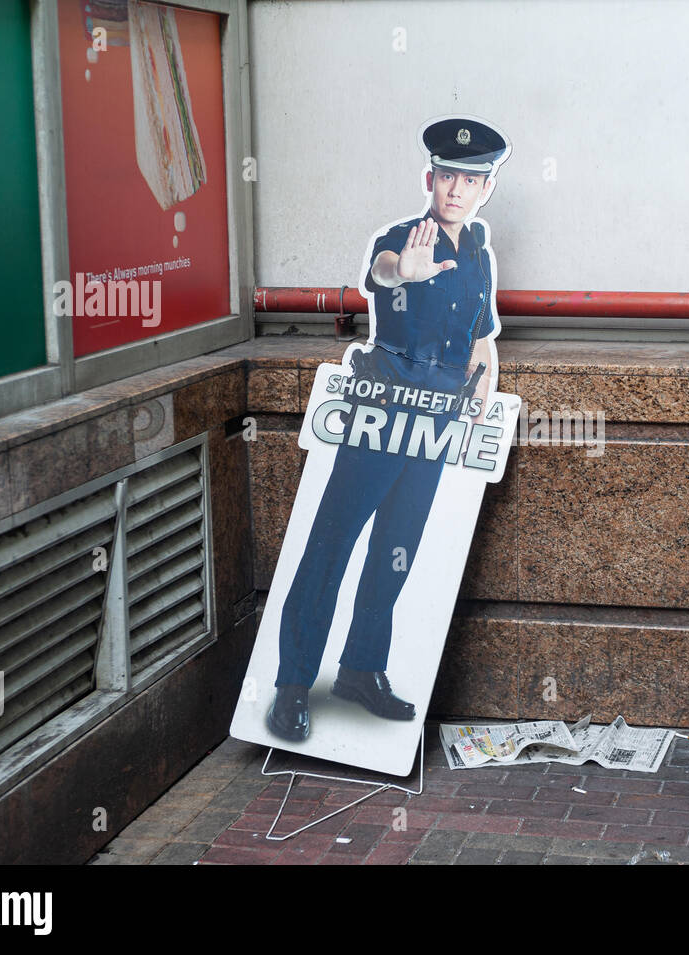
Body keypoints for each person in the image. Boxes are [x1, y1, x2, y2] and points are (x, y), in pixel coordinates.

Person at [266, 117, 507, 741]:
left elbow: (481, 336)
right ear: (430, 178)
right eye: (448, 175)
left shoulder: (479, 251)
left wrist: (484, 390)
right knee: (332, 541)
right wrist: (410, 272)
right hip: (383, 410)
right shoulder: (402, 237)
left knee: (396, 550)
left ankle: (361, 670)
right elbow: (383, 270)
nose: (456, 189)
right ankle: (292, 684)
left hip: (436, 420)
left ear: (486, 190)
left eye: (471, 180)